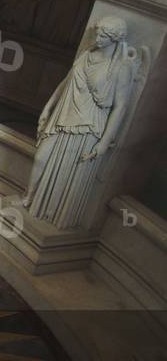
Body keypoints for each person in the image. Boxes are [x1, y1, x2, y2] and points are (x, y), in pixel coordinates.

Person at [23, 17, 137, 229]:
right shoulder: (87, 55)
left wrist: (104, 142)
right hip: (64, 115)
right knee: (40, 158)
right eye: (98, 33)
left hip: (88, 126)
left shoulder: (121, 68)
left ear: (115, 39)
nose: (98, 38)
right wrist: (48, 108)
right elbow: (65, 83)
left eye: (104, 36)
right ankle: (31, 194)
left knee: (68, 173)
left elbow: (120, 107)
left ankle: (52, 211)